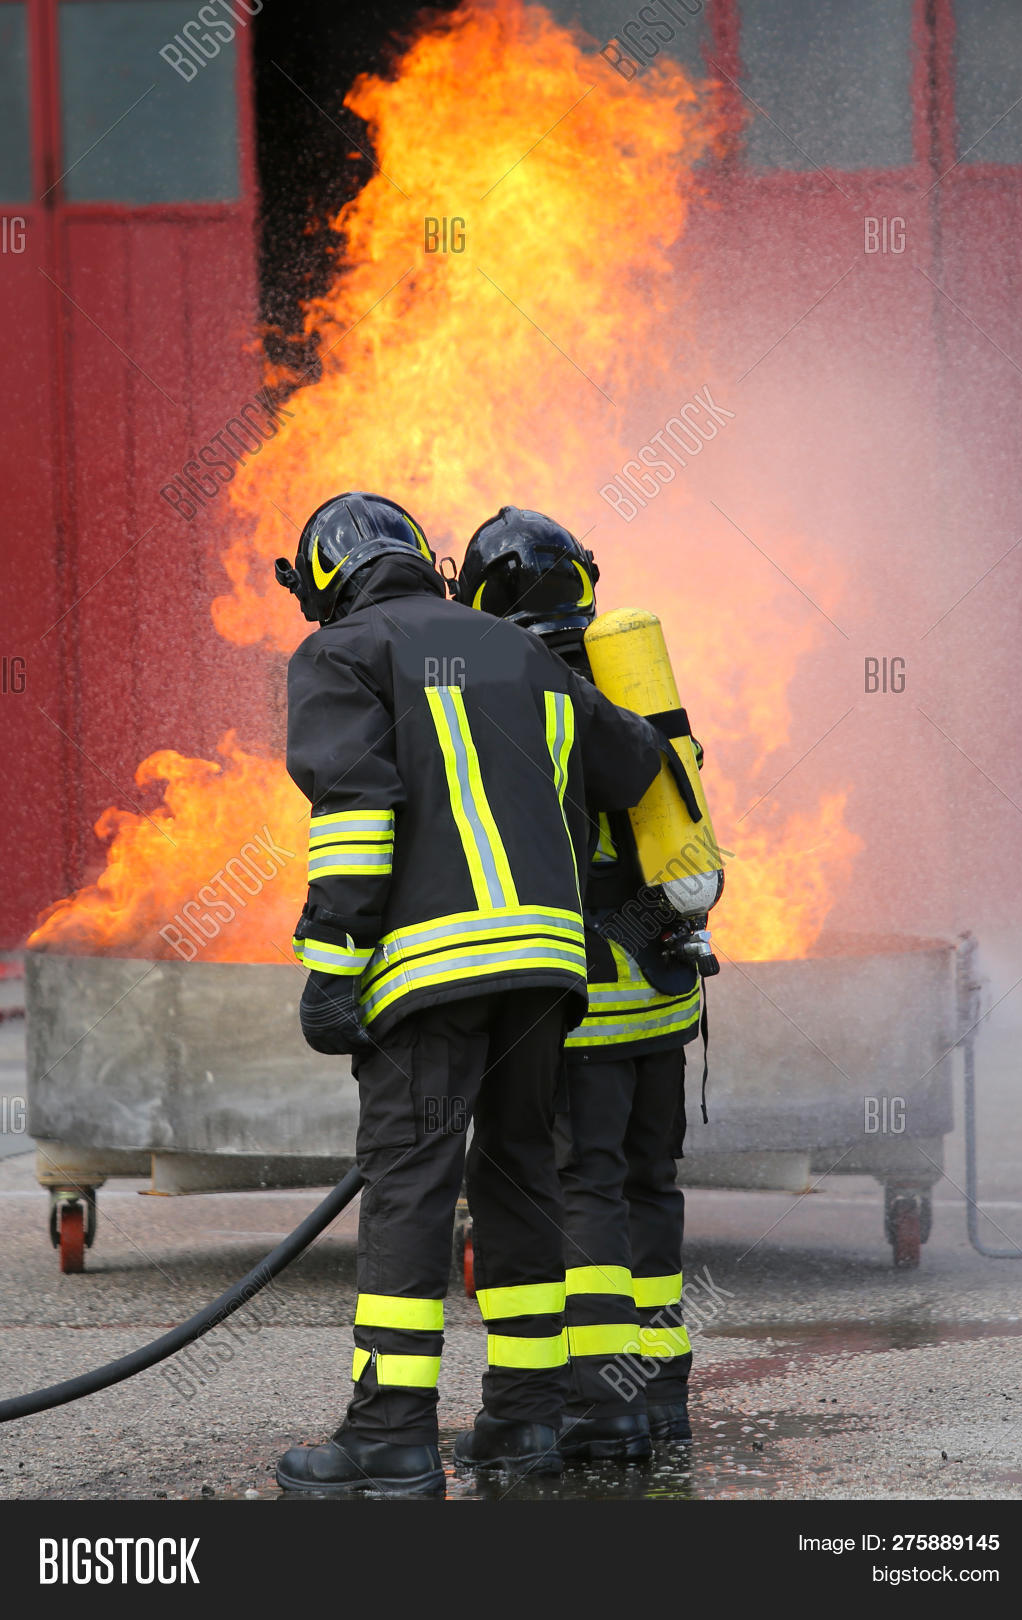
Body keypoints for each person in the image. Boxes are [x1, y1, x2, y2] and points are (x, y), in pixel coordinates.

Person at [271, 491, 662, 1495]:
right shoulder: (519, 652)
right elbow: (632, 765)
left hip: (435, 971)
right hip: (546, 970)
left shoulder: (344, 652)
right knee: (523, 1172)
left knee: (409, 1180)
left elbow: (356, 809)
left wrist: (332, 966)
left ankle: (391, 1432)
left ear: (325, 579)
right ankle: (524, 1421)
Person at [457, 507, 704, 1464]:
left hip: (589, 1001)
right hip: (666, 991)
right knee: (652, 1183)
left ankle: (605, 1402)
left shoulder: (525, 699)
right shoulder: (635, 686)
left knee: (585, 1184)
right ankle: (662, 1388)